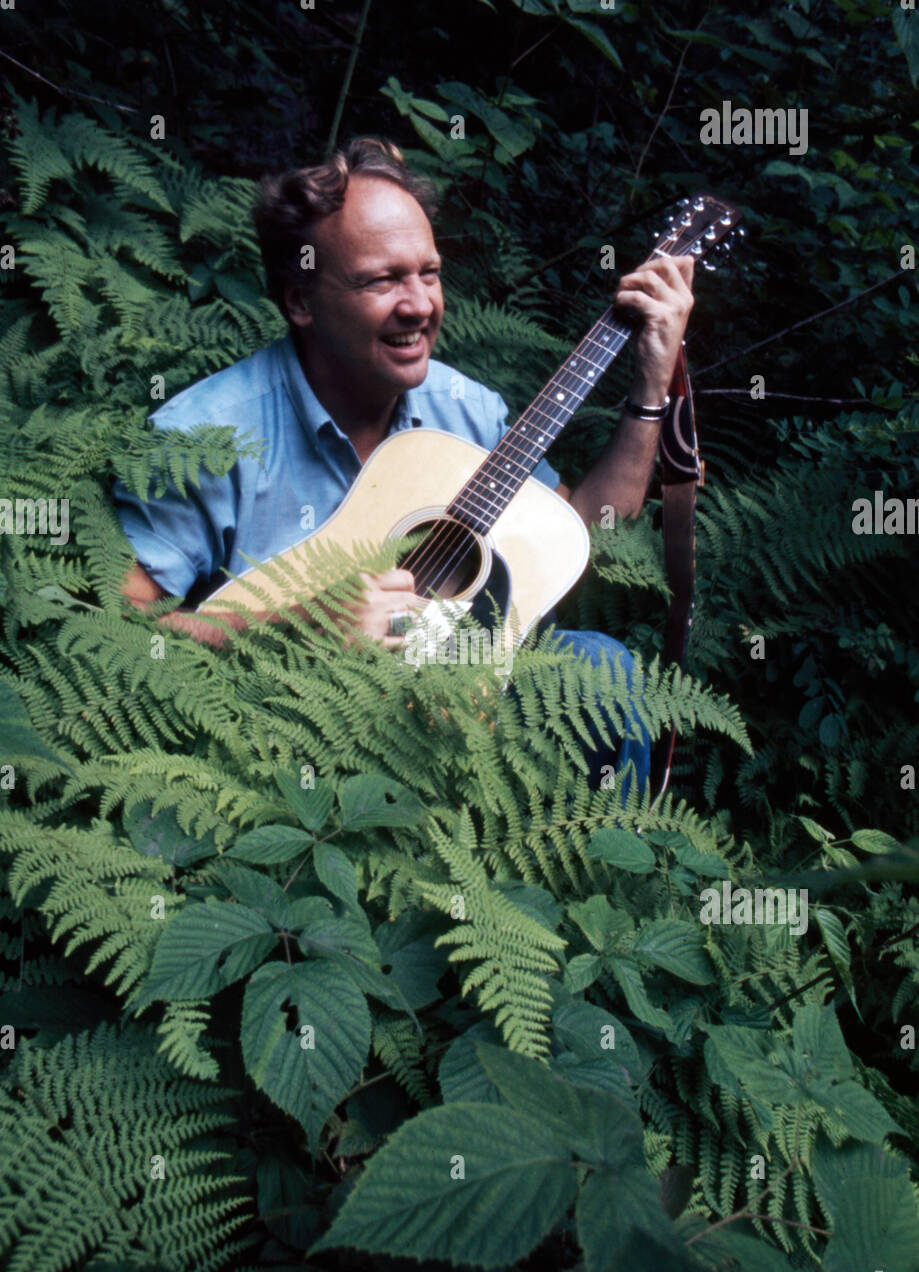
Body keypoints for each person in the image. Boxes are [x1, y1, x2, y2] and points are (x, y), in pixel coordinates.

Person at [116, 138, 695, 794]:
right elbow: (116, 636)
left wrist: (650, 383)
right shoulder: (204, 436)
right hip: (273, 742)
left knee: (600, 667)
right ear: (301, 300)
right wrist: (297, 623)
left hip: (453, 713)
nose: (420, 304)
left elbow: (586, 527)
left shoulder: (462, 409)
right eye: (381, 279)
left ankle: (605, 880)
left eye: (428, 272)